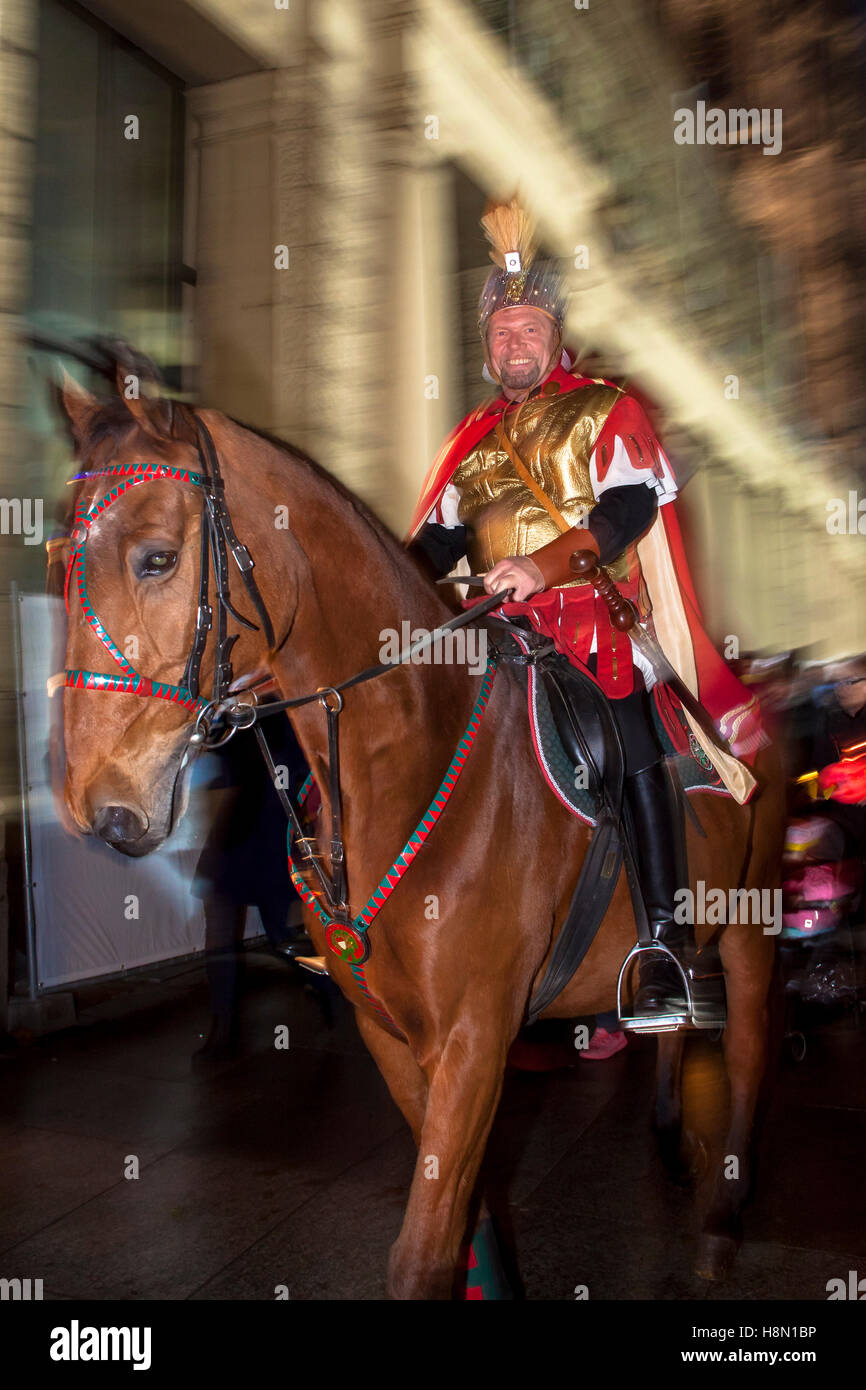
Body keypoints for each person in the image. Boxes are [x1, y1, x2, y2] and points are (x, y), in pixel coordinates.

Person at [407, 197, 765, 1028]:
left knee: (628, 734)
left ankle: (667, 950)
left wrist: (540, 563)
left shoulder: (604, 409)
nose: (513, 344)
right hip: (497, 633)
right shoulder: (471, 442)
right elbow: (437, 543)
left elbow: (629, 511)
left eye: (526, 328)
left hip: (593, 630)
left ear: (553, 334)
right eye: (500, 334)